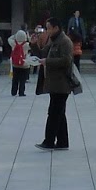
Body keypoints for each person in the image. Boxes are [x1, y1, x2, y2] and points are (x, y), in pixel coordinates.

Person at [34, 18, 75, 150]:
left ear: (56, 28)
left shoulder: (65, 41)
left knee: (53, 113)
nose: (47, 30)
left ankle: (49, 141)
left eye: (49, 28)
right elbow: (42, 54)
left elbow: (66, 61)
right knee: (59, 114)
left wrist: (48, 62)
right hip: (54, 83)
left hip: (62, 84)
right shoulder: (52, 40)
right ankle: (63, 142)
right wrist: (34, 45)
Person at [9, 30, 31, 97]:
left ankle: (13, 91)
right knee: (22, 80)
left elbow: (9, 39)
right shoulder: (26, 45)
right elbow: (32, 43)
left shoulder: (13, 43)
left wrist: (15, 36)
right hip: (24, 65)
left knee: (15, 79)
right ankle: (21, 92)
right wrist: (28, 37)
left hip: (15, 64)